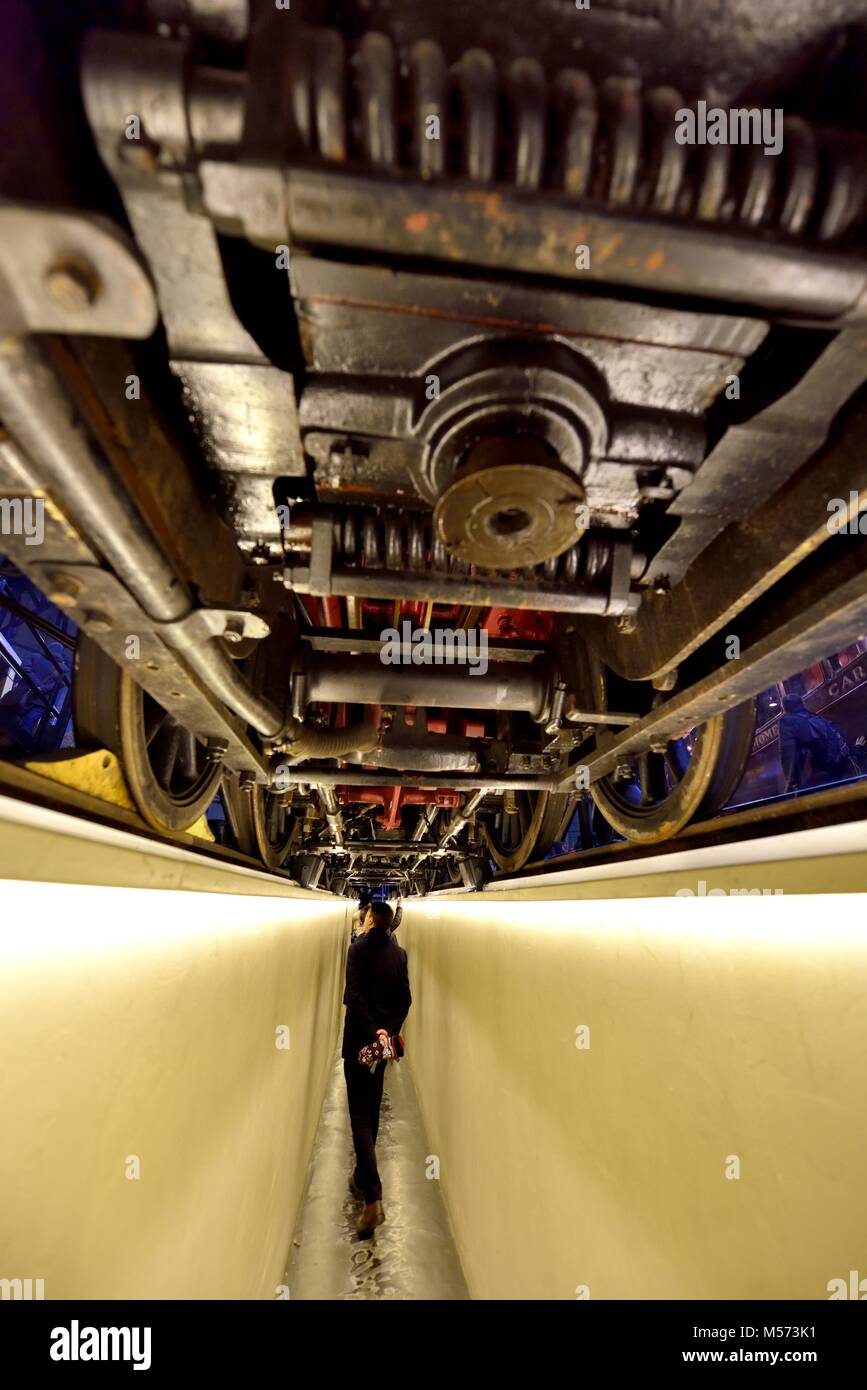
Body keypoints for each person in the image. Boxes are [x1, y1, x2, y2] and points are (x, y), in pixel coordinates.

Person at [342, 900, 411, 1237]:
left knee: (359, 1117)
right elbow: (405, 1000)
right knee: (373, 1108)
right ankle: (360, 1176)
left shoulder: (357, 951)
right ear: (389, 924)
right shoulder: (399, 955)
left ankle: (373, 1196)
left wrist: (372, 1031)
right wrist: (388, 1031)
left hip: (359, 1042)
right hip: (380, 1049)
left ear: (370, 919)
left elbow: (353, 998)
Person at [778, 692, 853, 791]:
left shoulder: (787, 722)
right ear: (802, 704)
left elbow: (788, 753)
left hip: (825, 772)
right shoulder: (816, 717)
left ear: (785, 709)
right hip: (841, 765)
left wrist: (792, 781)